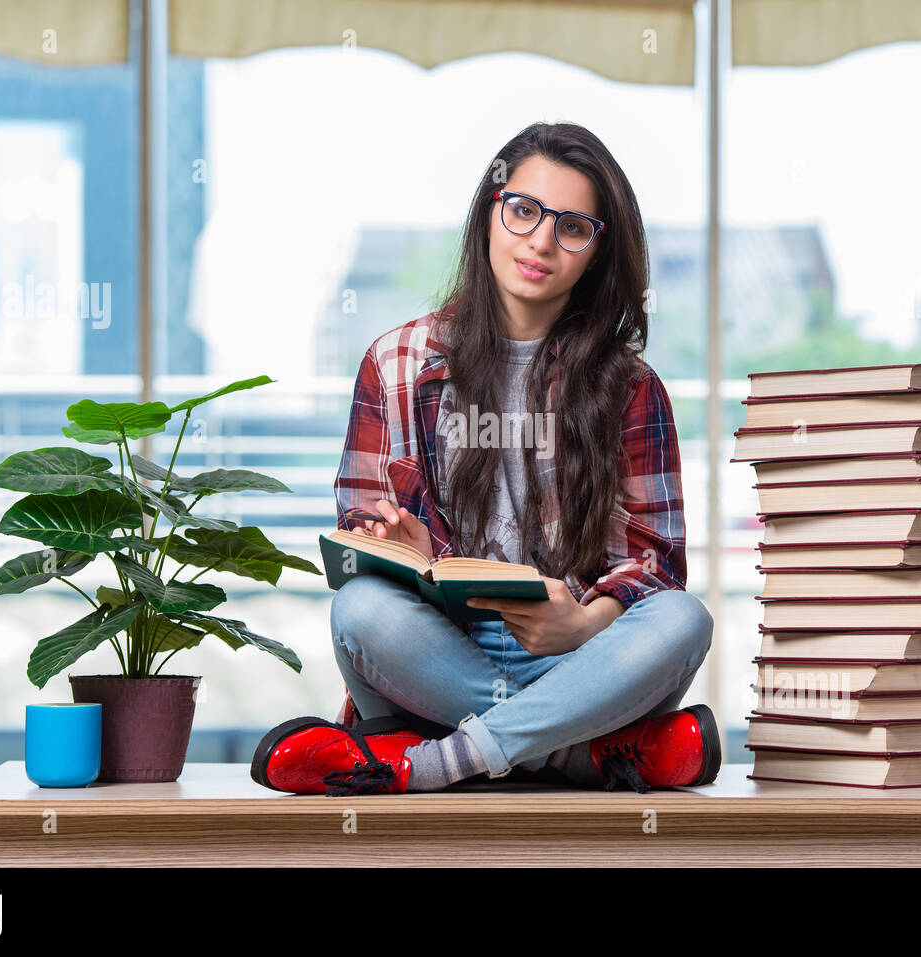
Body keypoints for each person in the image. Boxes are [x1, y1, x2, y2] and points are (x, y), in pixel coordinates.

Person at [251, 122, 719, 796]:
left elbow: (655, 562)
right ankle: (580, 750)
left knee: (685, 619)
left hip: (580, 659)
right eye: (524, 211)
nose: (541, 241)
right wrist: (407, 548)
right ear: (490, 213)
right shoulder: (397, 362)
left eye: (574, 227)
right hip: (444, 657)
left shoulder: (630, 386)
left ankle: (434, 760)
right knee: (360, 609)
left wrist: (583, 621)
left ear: (598, 250)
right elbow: (357, 542)